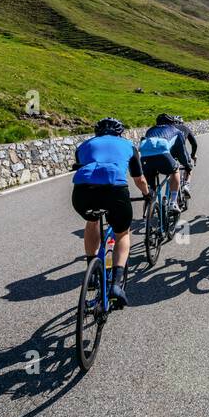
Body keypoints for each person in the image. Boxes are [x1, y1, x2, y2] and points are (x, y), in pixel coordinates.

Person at [72, 118, 149, 308]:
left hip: (82, 192)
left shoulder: (83, 145)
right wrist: (147, 194)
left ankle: (91, 274)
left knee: (92, 222)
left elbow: (82, 166)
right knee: (122, 233)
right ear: (119, 133)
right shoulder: (128, 146)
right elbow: (139, 179)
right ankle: (115, 285)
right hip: (115, 190)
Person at [139, 114, 193, 213]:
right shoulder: (176, 131)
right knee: (175, 170)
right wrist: (187, 164)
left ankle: (149, 201)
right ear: (172, 123)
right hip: (163, 156)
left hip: (145, 158)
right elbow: (182, 153)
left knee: (152, 183)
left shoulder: (150, 130)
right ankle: (173, 202)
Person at [167, 114, 198, 205]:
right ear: (182, 122)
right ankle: (186, 185)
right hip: (180, 151)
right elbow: (194, 144)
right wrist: (193, 155)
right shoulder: (185, 128)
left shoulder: (168, 128)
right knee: (188, 166)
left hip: (168, 153)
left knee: (172, 170)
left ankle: (171, 189)